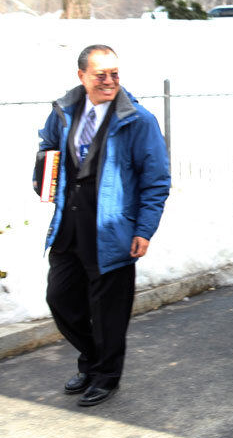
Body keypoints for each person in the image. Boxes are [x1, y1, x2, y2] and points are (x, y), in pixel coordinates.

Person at [35, 44, 170, 407]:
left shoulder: (138, 120)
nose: (109, 81)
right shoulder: (63, 111)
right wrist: (42, 172)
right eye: (101, 75)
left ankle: (105, 375)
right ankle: (92, 359)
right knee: (61, 298)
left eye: (115, 74)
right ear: (82, 77)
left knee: (108, 310)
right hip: (69, 225)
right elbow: (47, 145)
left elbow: (156, 180)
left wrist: (144, 229)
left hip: (113, 229)